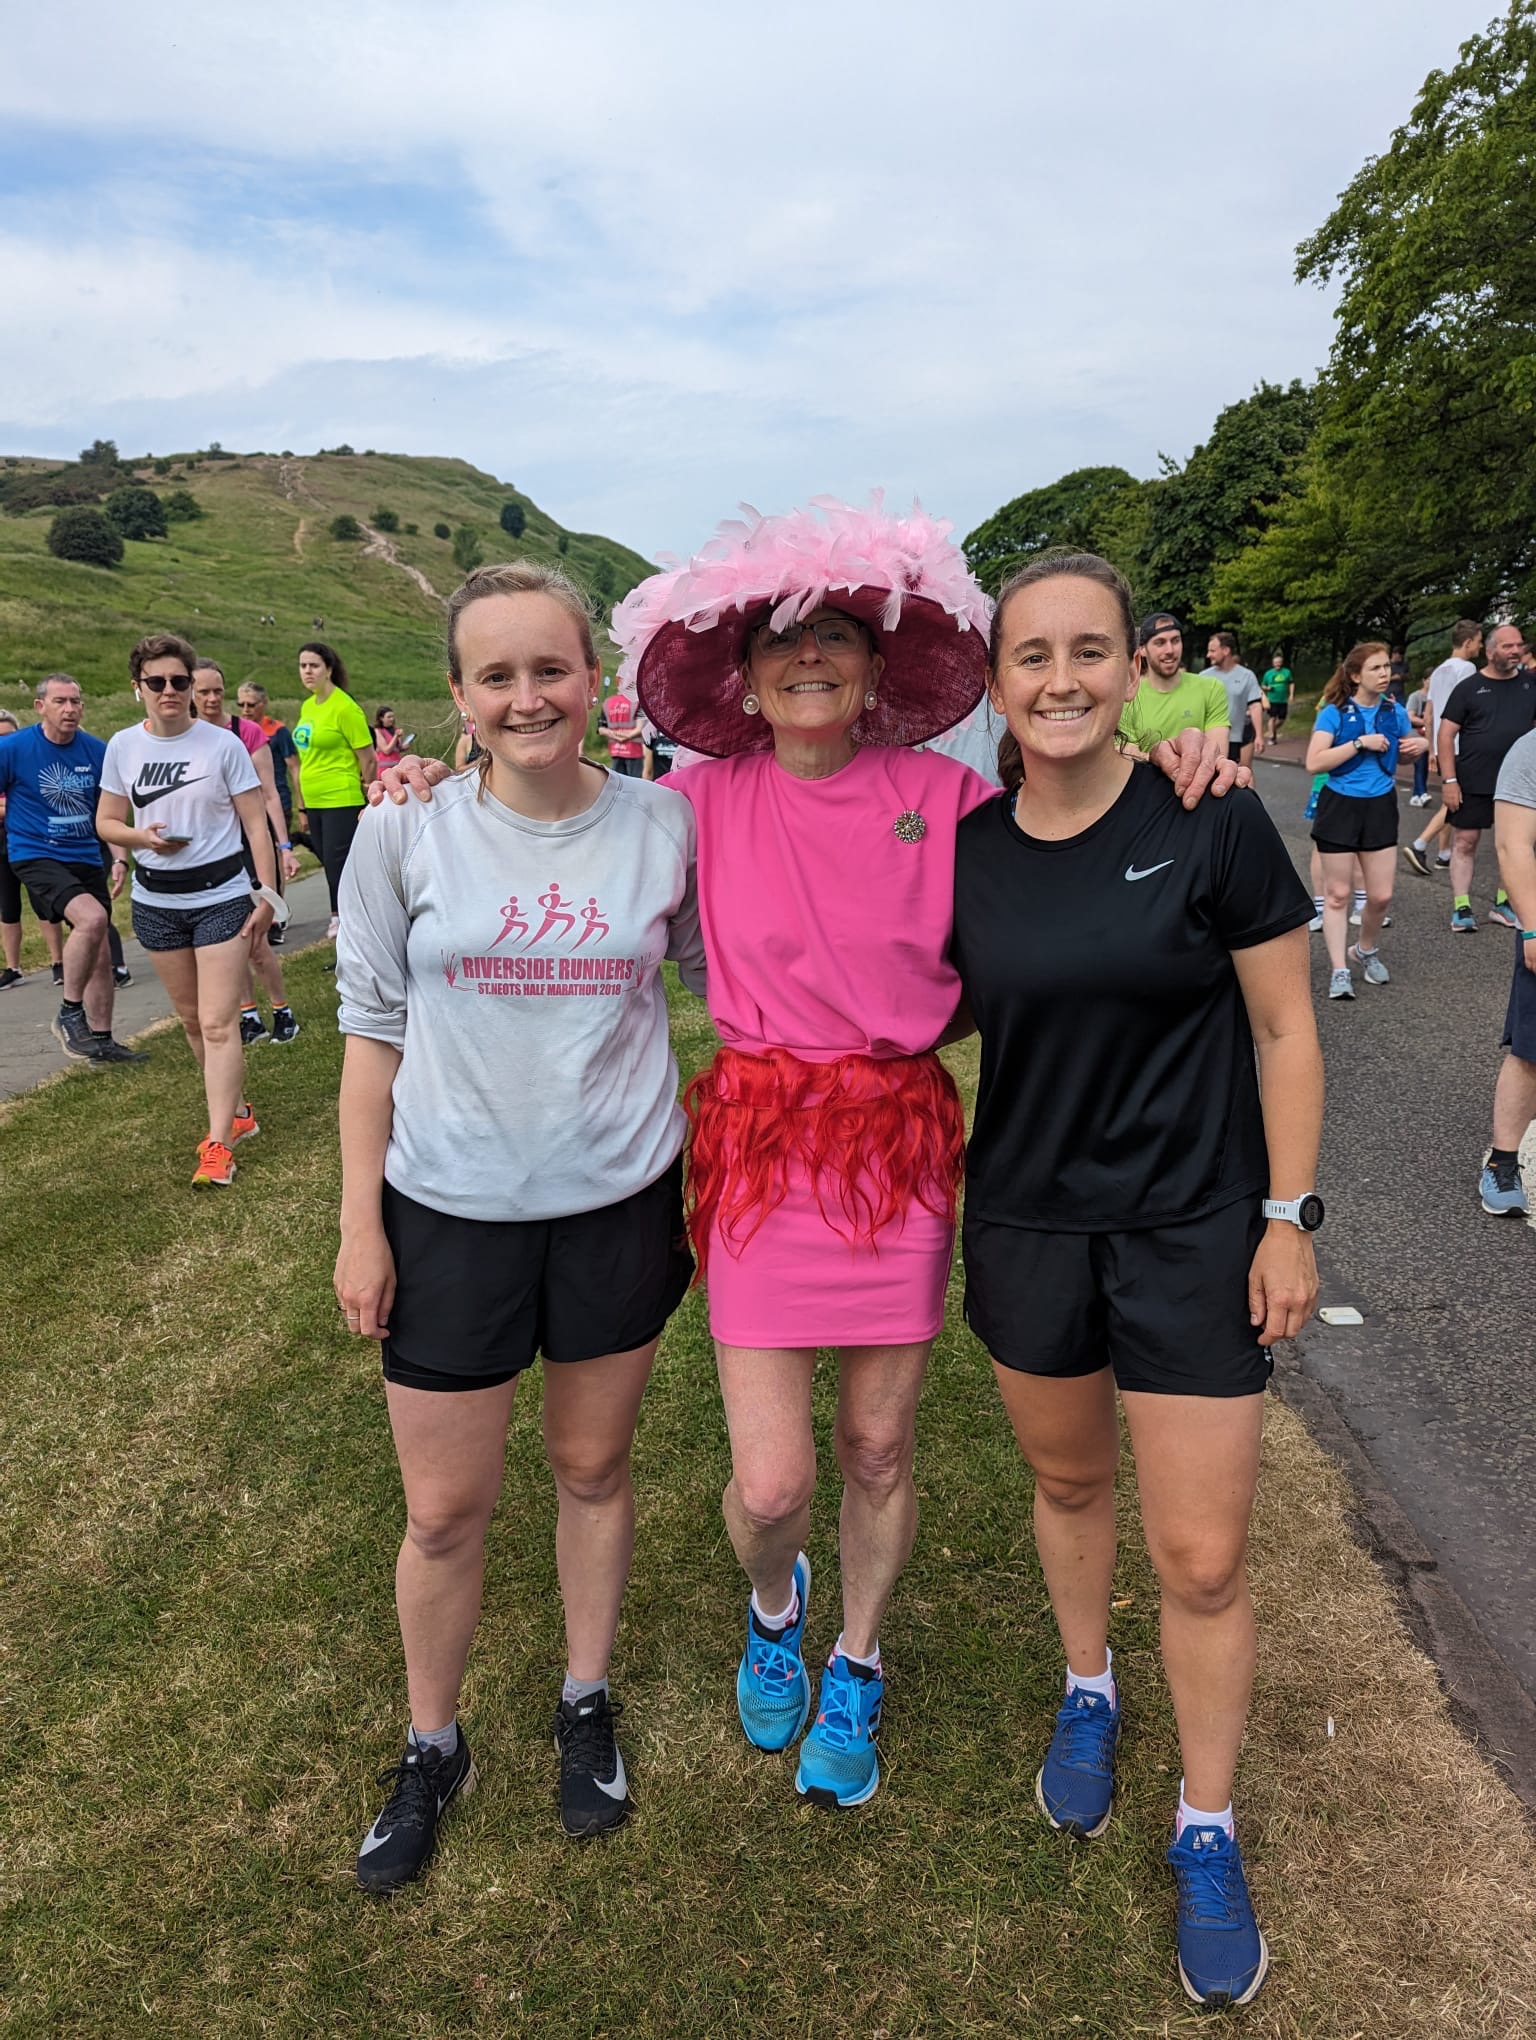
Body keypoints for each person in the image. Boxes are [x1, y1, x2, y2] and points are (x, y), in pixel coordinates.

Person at [611, 498, 1241, 1811]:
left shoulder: (949, 800)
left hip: (892, 1148)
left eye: (838, 635)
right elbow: (563, 829)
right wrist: (431, 796)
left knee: (879, 1448)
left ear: (876, 664)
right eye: (782, 640)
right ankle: (775, 1608)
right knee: (770, 1481)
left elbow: (1074, 828)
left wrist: (1180, 761)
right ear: (743, 675)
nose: (810, 658)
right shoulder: (689, 804)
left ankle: (858, 1657)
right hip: (760, 1147)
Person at [951, 551, 1323, 2010]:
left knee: (1205, 1557)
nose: (1062, 680)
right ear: (995, 682)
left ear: (1134, 667)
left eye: (1089, 650)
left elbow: (1286, 1031)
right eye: (1032, 655)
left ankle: (1207, 1827)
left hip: (1194, 1228)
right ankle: (1090, 1688)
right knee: (1068, 1484)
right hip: (1030, 1226)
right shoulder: (964, 851)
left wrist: (1287, 1217)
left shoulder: (1209, 815)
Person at [335, 561, 706, 1890]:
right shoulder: (402, 834)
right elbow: (371, 1035)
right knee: (444, 1511)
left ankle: (583, 1700)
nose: (528, 696)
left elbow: (745, 970)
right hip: (449, 1214)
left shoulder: (665, 824)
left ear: (594, 680)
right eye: (496, 675)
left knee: (593, 1469)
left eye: (551, 668)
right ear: (459, 696)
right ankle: (432, 1744)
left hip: (616, 1205)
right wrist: (361, 1224)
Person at [97, 635, 277, 1185]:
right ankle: (238, 1113)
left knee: (219, 1022)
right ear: (138, 688)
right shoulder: (123, 746)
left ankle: (218, 1145)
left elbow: (255, 824)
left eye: (180, 681)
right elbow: (106, 821)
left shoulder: (222, 745)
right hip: (156, 902)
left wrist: (268, 896)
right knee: (193, 1021)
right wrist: (141, 839)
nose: (170, 690)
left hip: (220, 895)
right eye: (157, 682)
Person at [0, 673, 144, 1064]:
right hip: (36, 854)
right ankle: (69, 1012)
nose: (70, 709)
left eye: (76, 701)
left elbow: (109, 813)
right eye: (60, 701)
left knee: (99, 947)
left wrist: (119, 858)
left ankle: (102, 1041)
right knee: (92, 919)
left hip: (85, 856)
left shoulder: (97, 752)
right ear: (40, 706)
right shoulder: (12, 748)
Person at [1305, 644, 1427, 999]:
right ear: (1356, 676)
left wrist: (1419, 747)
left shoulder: (1394, 711)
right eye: (1376, 668)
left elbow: (1405, 750)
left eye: (1387, 666)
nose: (1385, 673)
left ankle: (1364, 949)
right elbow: (1314, 762)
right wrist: (1359, 743)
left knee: (1381, 895)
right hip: (1340, 805)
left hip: (1380, 806)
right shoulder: (1334, 712)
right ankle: (1339, 970)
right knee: (1338, 894)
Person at [192, 663, 301, 1045]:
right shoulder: (184, 736)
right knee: (227, 939)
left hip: (247, 845)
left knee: (254, 939)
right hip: (209, 850)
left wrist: (283, 846)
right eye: (203, 692)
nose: (211, 699)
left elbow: (268, 794)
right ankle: (248, 1015)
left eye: (217, 691)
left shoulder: (246, 732)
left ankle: (282, 1011)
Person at [1437, 624, 1536, 933]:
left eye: (1519, 645)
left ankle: (1504, 904)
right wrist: (1449, 781)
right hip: (1474, 779)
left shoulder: (1531, 685)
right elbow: (1445, 734)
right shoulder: (1469, 688)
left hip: (1518, 784)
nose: (1516, 651)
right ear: (1490, 652)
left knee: (1516, 845)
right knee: (1465, 841)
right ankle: (1461, 907)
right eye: (1508, 646)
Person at [1481, 727, 1536, 1216]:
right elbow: (1512, 846)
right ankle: (1502, 1162)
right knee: (1531, 1049)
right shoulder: (1529, 751)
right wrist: (1532, 928)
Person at [291, 640, 375, 941]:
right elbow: (303, 761)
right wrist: (302, 806)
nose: (307, 671)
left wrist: (368, 793)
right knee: (327, 860)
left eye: (313, 665)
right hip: (313, 798)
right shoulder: (307, 706)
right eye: (303, 666)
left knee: (339, 861)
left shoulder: (344, 707)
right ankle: (348, 912)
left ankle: (340, 917)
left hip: (341, 795)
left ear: (328, 669)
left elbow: (368, 757)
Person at [1403, 620, 1483, 879]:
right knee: (1456, 798)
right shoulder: (1468, 669)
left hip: (1442, 743)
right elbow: (1471, 708)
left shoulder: (1438, 672)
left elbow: (1429, 714)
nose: (1481, 647)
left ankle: (1444, 853)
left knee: (1452, 798)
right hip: (1462, 744)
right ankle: (1420, 844)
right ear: (1467, 642)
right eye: (1479, 641)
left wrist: (1433, 749)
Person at [0, 708, 65, 989]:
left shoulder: (27, 761)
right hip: (2, 842)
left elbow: (38, 800)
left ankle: (58, 961)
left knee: (43, 903)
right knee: (7, 906)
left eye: (7, 735)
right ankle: (12, 967)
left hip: (32, 841)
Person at [1120, 613, 1229, 758]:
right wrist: (1162, 761)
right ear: (1142, 650)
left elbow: (1217, 753)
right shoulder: (1128, 696)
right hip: (1146, 774)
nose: (1170, 650)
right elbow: (1126, 752)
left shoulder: (1211, 688)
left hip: (1201, 773)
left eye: (1175, 641)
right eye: (1160, 643)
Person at [235, 681, 305, 887]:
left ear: (263, 703)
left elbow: (295, 767)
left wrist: (301, 805)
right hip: (247, 801)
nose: (246, 710)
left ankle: (277, 899)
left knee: (275, 853)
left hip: (276, 797)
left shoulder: (278, 730)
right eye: (241, 705)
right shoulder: (237, 730)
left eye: (251, 704)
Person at [1203, 632, 1264, 768]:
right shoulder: (1203, 677)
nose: (1208, 655)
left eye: (1212, 651)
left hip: (1241, 735)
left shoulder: (1247, 676)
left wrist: (1259, 735)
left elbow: (1255, 706)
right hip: (1213, 737)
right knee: (1217, 772)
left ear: (1226, 650)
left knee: (1243, 772)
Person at [599, 683, 645, 777]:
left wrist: (614, 735)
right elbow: (640, 729)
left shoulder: (607, 702)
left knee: (618, 782)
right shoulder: (637, 702)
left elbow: (600, 729)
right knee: (634, 782)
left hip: (616, 750)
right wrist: (625, 737)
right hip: (633, 750)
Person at [1406, 676, 1432, 805]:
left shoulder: (1434, 697)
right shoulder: (1415, 697)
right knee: (1420, 762)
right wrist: (1426, 722)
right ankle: (1422, 792)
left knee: (1425, 764)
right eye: (1429, 679)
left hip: (1429, 734)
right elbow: (1410, 716)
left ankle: (1416, 795)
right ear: (1424, 680)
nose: (1431, 683)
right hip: (1416, 733)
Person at [1260, 652, 1293, 746]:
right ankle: (1272, 737)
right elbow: (1262, 685)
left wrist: (1291, 694)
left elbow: (1291, 683)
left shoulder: (1287, 672)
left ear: (1281, 663)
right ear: (1273, 663)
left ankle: (1272, 729)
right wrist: (1267, 688)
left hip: (1283, 699)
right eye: (1275, 662)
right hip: (1272, 699)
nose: (1277, 664)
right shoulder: (1268, 673)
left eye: (1279, 662)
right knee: (1272, 717)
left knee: (1282, 719)